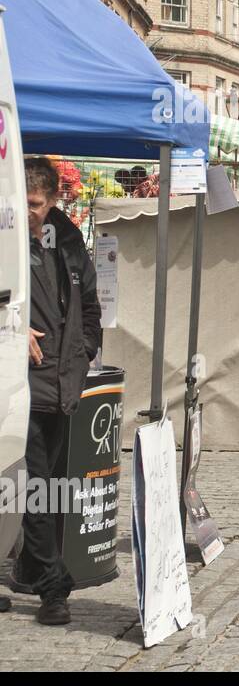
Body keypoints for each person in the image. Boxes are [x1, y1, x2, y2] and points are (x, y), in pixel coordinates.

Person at [14, 157, 102, 625]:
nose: (27, 211)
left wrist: (83, 351)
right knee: (34, 487)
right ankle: (52, 587)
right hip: (18, 385)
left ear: (52, 201)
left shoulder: (66, 241)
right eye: (20, 202)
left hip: (62, 381)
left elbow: (89, 306)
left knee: (42, 485)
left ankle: (27, 569)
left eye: (35, 204)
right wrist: (9, 329)